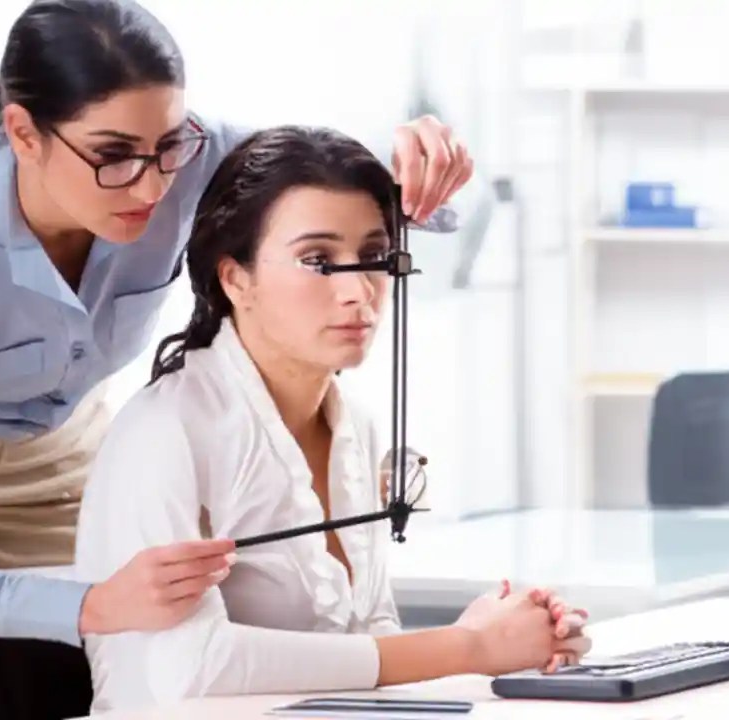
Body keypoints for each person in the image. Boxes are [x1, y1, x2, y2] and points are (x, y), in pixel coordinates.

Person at [0, 1, 474, 717]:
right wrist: (91, 603)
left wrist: (421, 174)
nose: (152, 186)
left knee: (58, 692)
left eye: (168, 145)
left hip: (52, 448)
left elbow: (336, 194)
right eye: (114, 156)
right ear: (24, 133)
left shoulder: (195, 159)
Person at [72, 125, 591, 714]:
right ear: (235, 278)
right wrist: (464, 647)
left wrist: (501, 638)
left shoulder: (359, 430)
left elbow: (367, 641)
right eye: (318, 260)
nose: (360, 293)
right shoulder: (165, 432)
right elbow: (185, 669)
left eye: (372, 256)